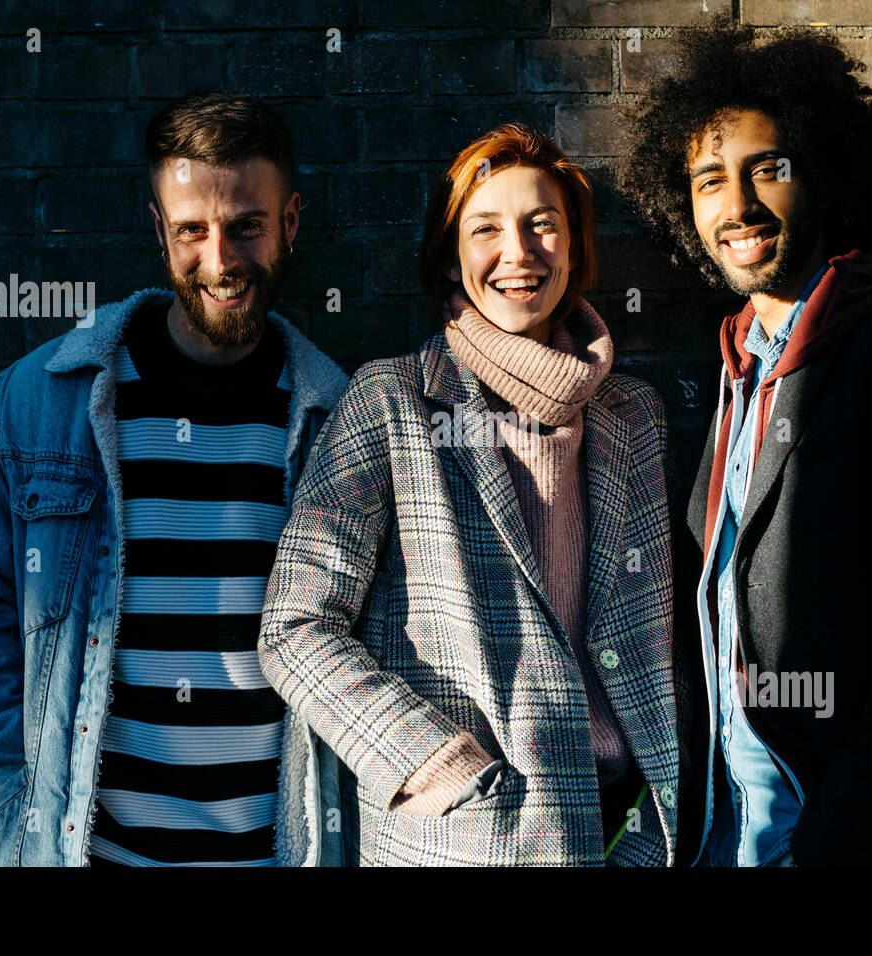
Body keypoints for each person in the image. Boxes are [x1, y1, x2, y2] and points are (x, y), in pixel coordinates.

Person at [617, 26, 872, 866]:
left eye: (769, 169)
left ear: (826, 174)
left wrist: (840, 833)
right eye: (709, 180)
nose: (738, 207)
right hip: (730, 840)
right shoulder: (734, 365)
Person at [0, 91, 348, 866]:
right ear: (159, 231)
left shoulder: (339, 422)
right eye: (192, 231)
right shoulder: (36, 408)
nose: (220, 262)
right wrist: (4, 810)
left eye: (246, 227)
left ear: (289, 223)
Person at [259, 123, 690, 866]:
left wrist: (659, 811)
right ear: (452, 256)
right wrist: (439, 769)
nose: (518, 252)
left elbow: (659, 632)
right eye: (486, 228)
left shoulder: (634, 416)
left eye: (542, 226)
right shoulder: (392, 402)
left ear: (576, 247)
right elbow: (294, 628)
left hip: (629, 836)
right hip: (464, 837)